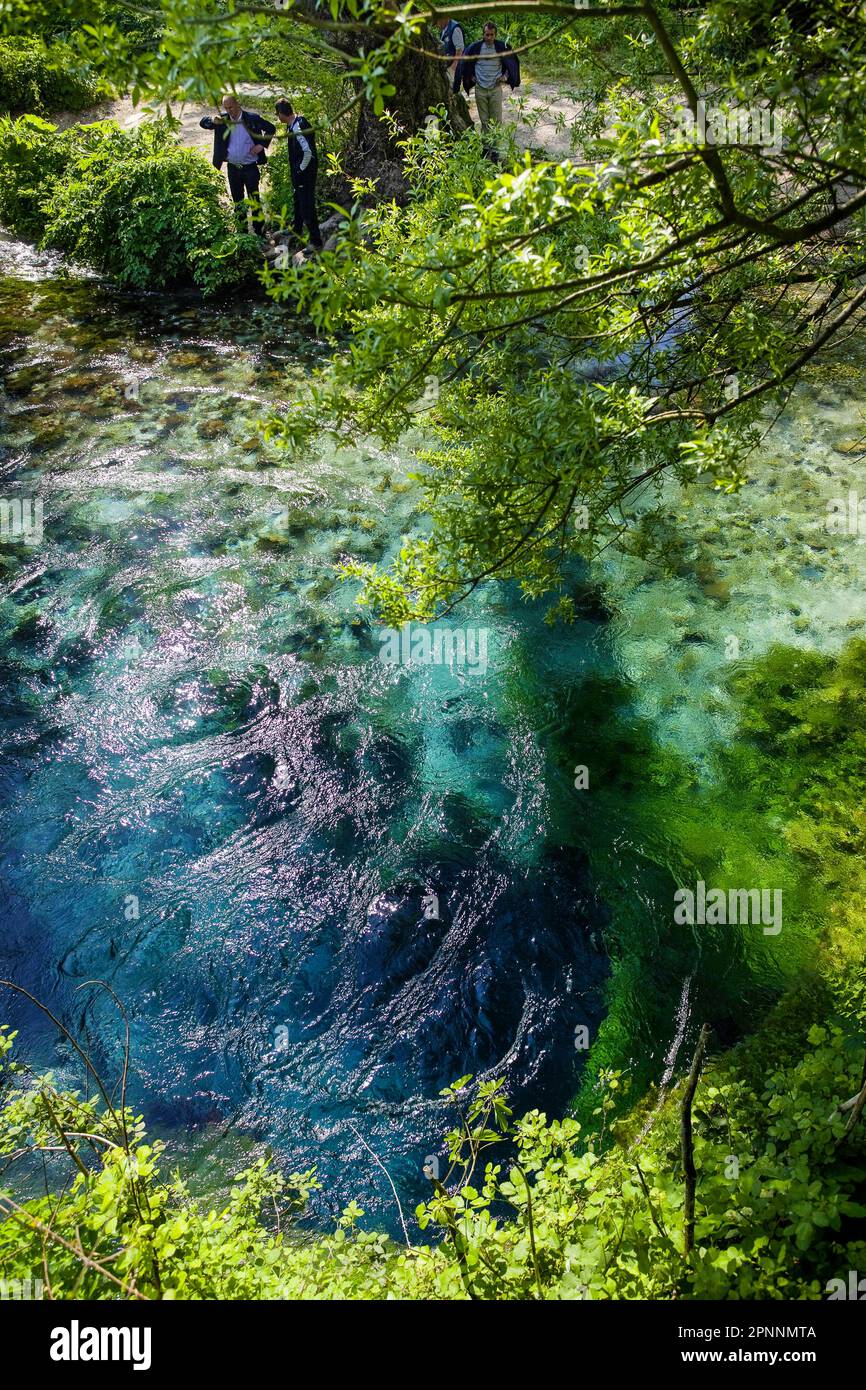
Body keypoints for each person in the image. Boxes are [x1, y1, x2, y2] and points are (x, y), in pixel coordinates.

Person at [200, 94, 275, 238]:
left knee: (254, 200)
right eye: (226, 108)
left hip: (250, 167)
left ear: (237, 104)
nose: (229, 111)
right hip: (233, 168)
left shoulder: (252, 118)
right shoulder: (222, 120)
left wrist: (261, 145)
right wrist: (211, 120)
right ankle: (242, 234)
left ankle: (259, 232)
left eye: (231, 107)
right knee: (238, 201)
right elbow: (203, 123)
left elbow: (271, 128)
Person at [455, 22, 520, 134]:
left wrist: (506, 76)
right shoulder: (475, 48)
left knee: (497, 121)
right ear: (483, 34)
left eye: (492, 35)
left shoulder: (502, 47)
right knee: (484, 122)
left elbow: (513, 64)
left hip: (495, 89)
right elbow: (464, 64)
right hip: (480, 89)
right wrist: (469, 77)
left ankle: (495, 149)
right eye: (487, 34)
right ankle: (486, 149)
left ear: (495, 35)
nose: (489, 37)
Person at [275, 97, 323, 252]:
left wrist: (299, 170)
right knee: (297, 199)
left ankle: (316, 242)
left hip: (305, 173)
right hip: (300, 173)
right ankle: (297, 229)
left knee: (306, 205)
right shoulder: (295, 123)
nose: (277, 117)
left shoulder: (297, 128)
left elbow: (308, 152)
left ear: (282, 113)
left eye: (277, 114)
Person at [439, 14, 465, 81]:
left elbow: (460, 50)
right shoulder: (443, 30)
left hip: (454, 68)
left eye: (437, 22)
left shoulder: (455, 28)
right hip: (447, 66)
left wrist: (453, 68)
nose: (437, 25)